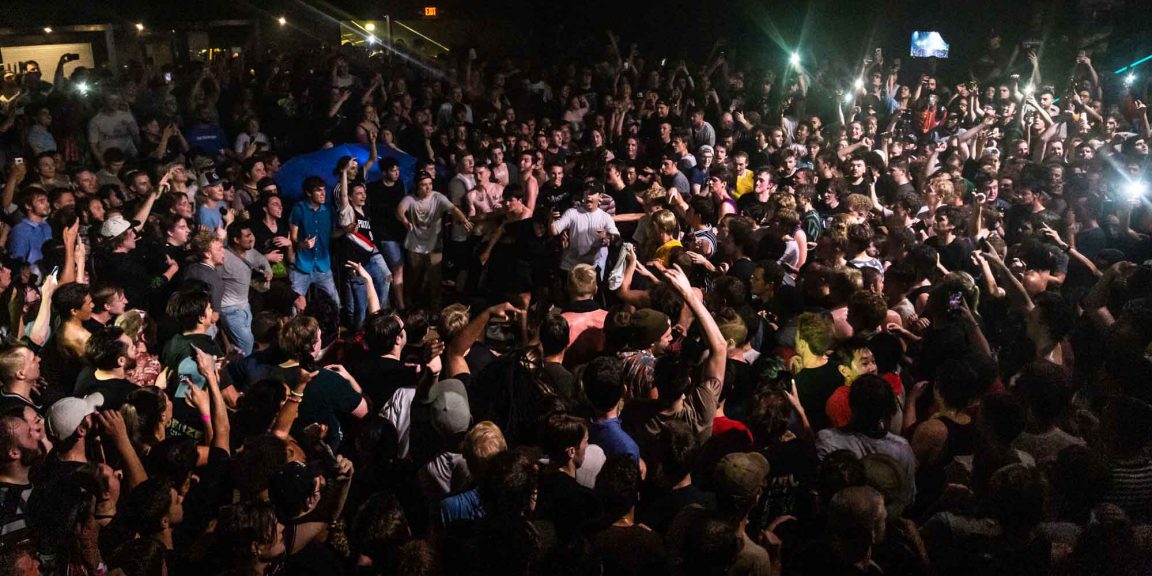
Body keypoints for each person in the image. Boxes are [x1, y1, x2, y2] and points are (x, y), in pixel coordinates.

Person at [220, 221, 271, 356]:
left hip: (244, 306)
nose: (252, 238)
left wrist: (268, 272)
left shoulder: (250, 252)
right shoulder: (223, 257)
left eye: (251, 234)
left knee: (246, 344)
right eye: (247, 236)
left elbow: (262, 261)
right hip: (230, 310)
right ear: (236, 240)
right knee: (247, 344)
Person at [289, 176, 341, 311]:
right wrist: (303, 245)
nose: (323, 193)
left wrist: (345, 230)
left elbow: (330, 234)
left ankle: (335, 331)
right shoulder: (299, 208)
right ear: (308, 193)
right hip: (302, 265)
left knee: (335, 301)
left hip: (323, 265)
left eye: (324, 190)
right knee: (294, 306)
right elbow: (293, 237)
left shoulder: (328, 210)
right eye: (319, 190)